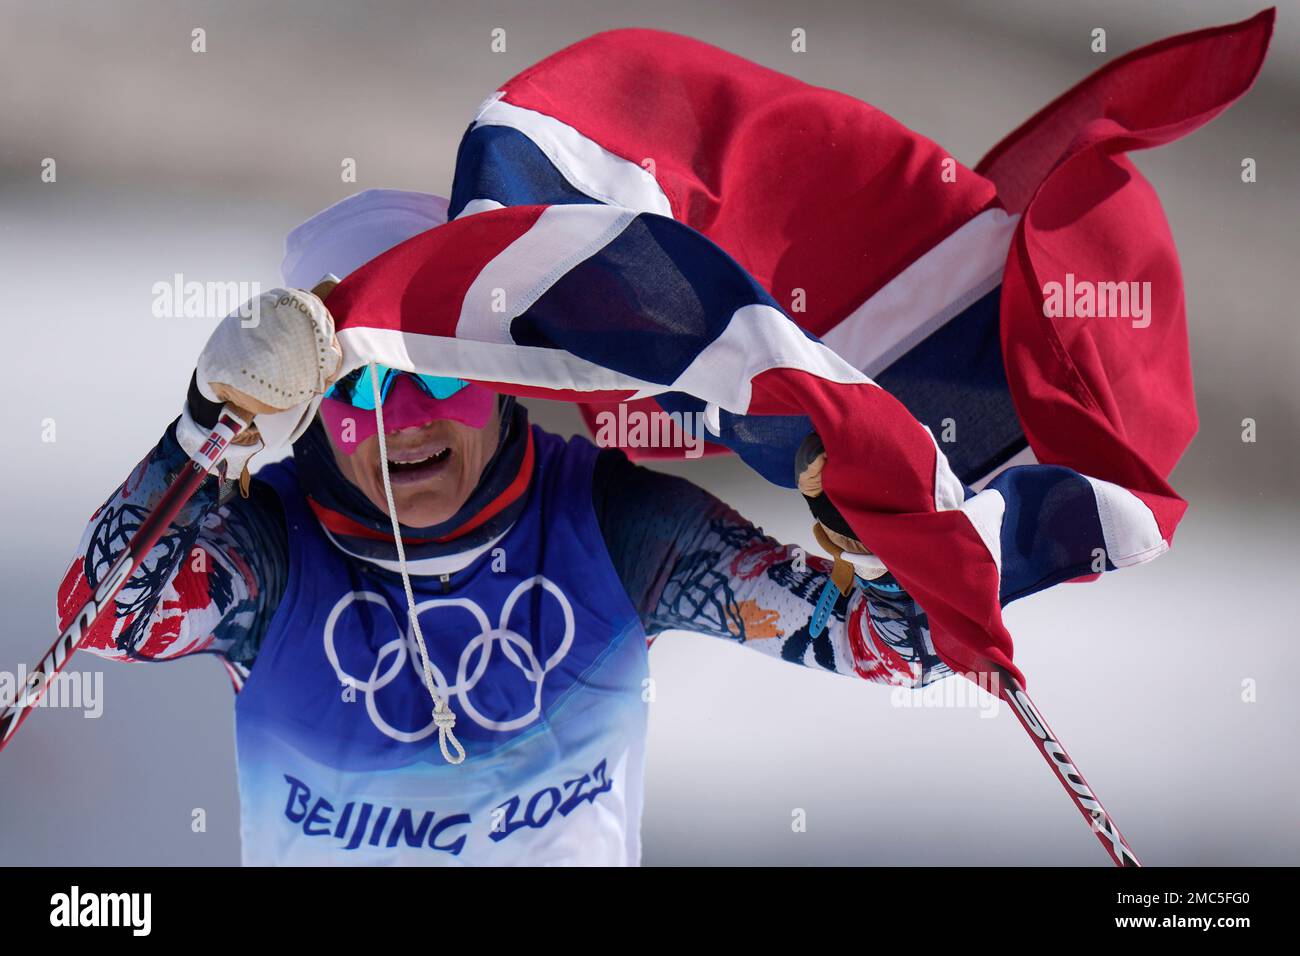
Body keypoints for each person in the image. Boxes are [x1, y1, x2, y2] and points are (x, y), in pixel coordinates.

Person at [57, 189, 948, 866]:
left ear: (501, 367)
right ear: (308, 406)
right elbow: (101, 619)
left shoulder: (615, 523)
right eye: (359, 385)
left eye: (437, 371)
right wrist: (198, 433)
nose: (407, 417)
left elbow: (913, 646)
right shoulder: (270, 545)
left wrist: (877, 528)